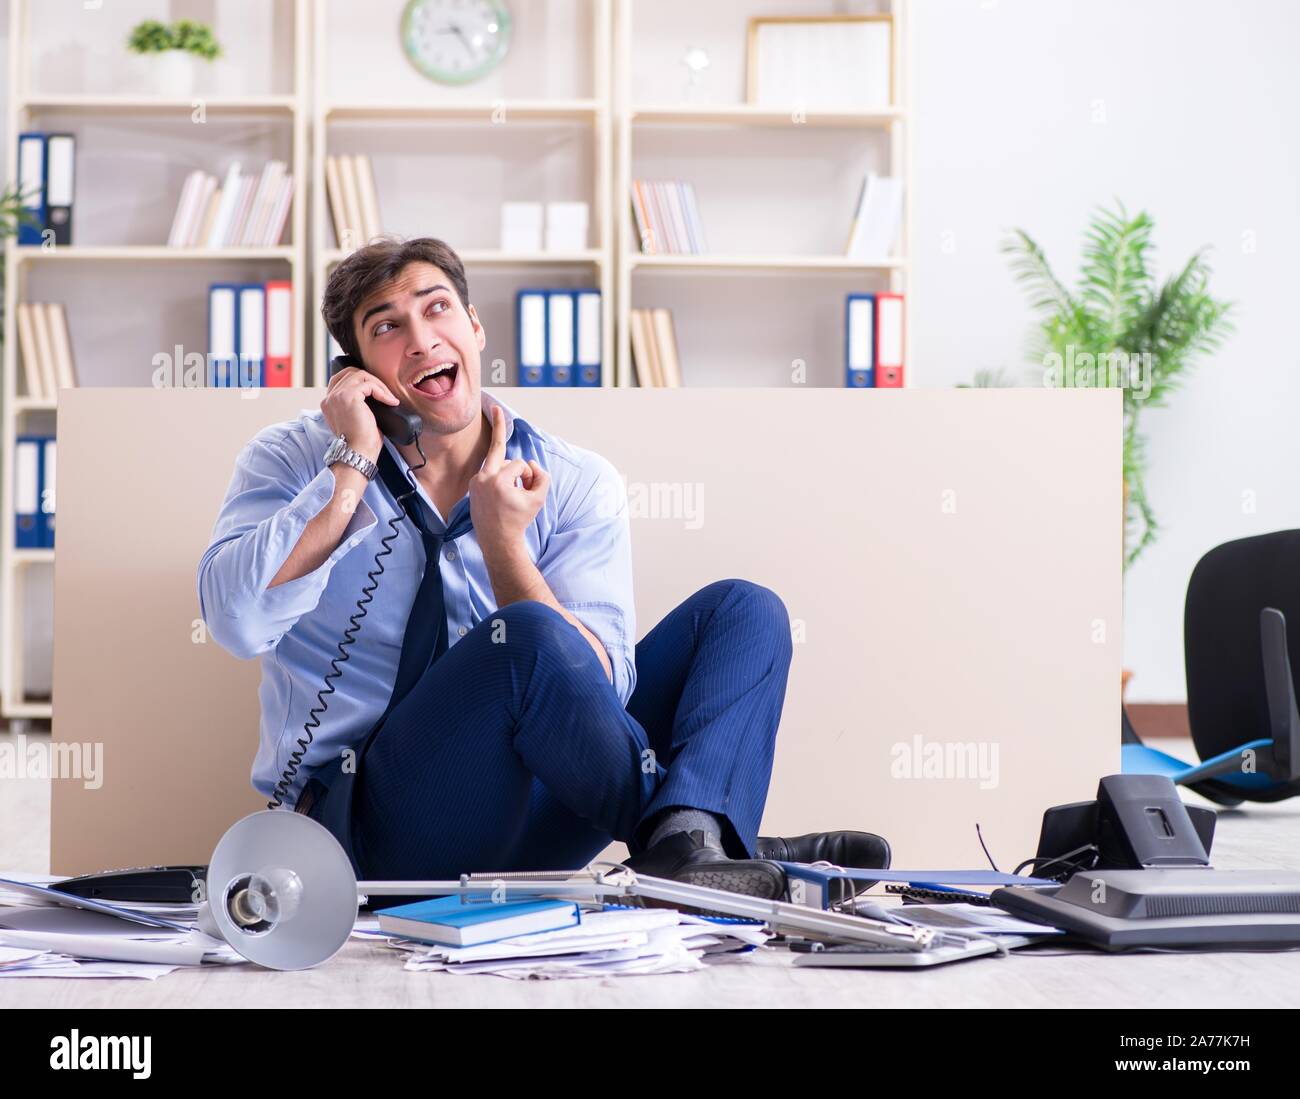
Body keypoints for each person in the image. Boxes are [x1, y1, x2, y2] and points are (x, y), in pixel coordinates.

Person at [197, 236, 888, 904]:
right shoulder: (289, 460)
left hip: (548, 814)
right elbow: (234, 622)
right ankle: (699, 841)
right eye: (388, 326)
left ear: (474, 326)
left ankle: (688, 842)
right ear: (357, 372)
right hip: (372, 833)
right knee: (522, 639)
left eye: (437, 309)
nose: (422, 338)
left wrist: (505, 549)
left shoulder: (576, 478)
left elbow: (601, 689)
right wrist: (350, 465)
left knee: (745, 610)